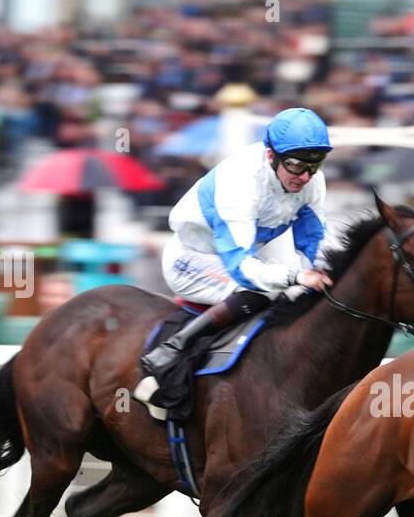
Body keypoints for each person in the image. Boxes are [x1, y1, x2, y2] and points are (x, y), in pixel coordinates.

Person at [135, 107, 334, 406]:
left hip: (253, 248)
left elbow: (314, 241)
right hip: (193, 259)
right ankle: (172, 352)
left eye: (314, 166)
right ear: (271, 156)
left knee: (302, 295)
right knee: (261, 293)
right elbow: (242, 268)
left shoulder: (311, 181)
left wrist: (323, 274)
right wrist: (296, 277)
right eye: (295, 166)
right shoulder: (240, 183)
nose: (304, 177)